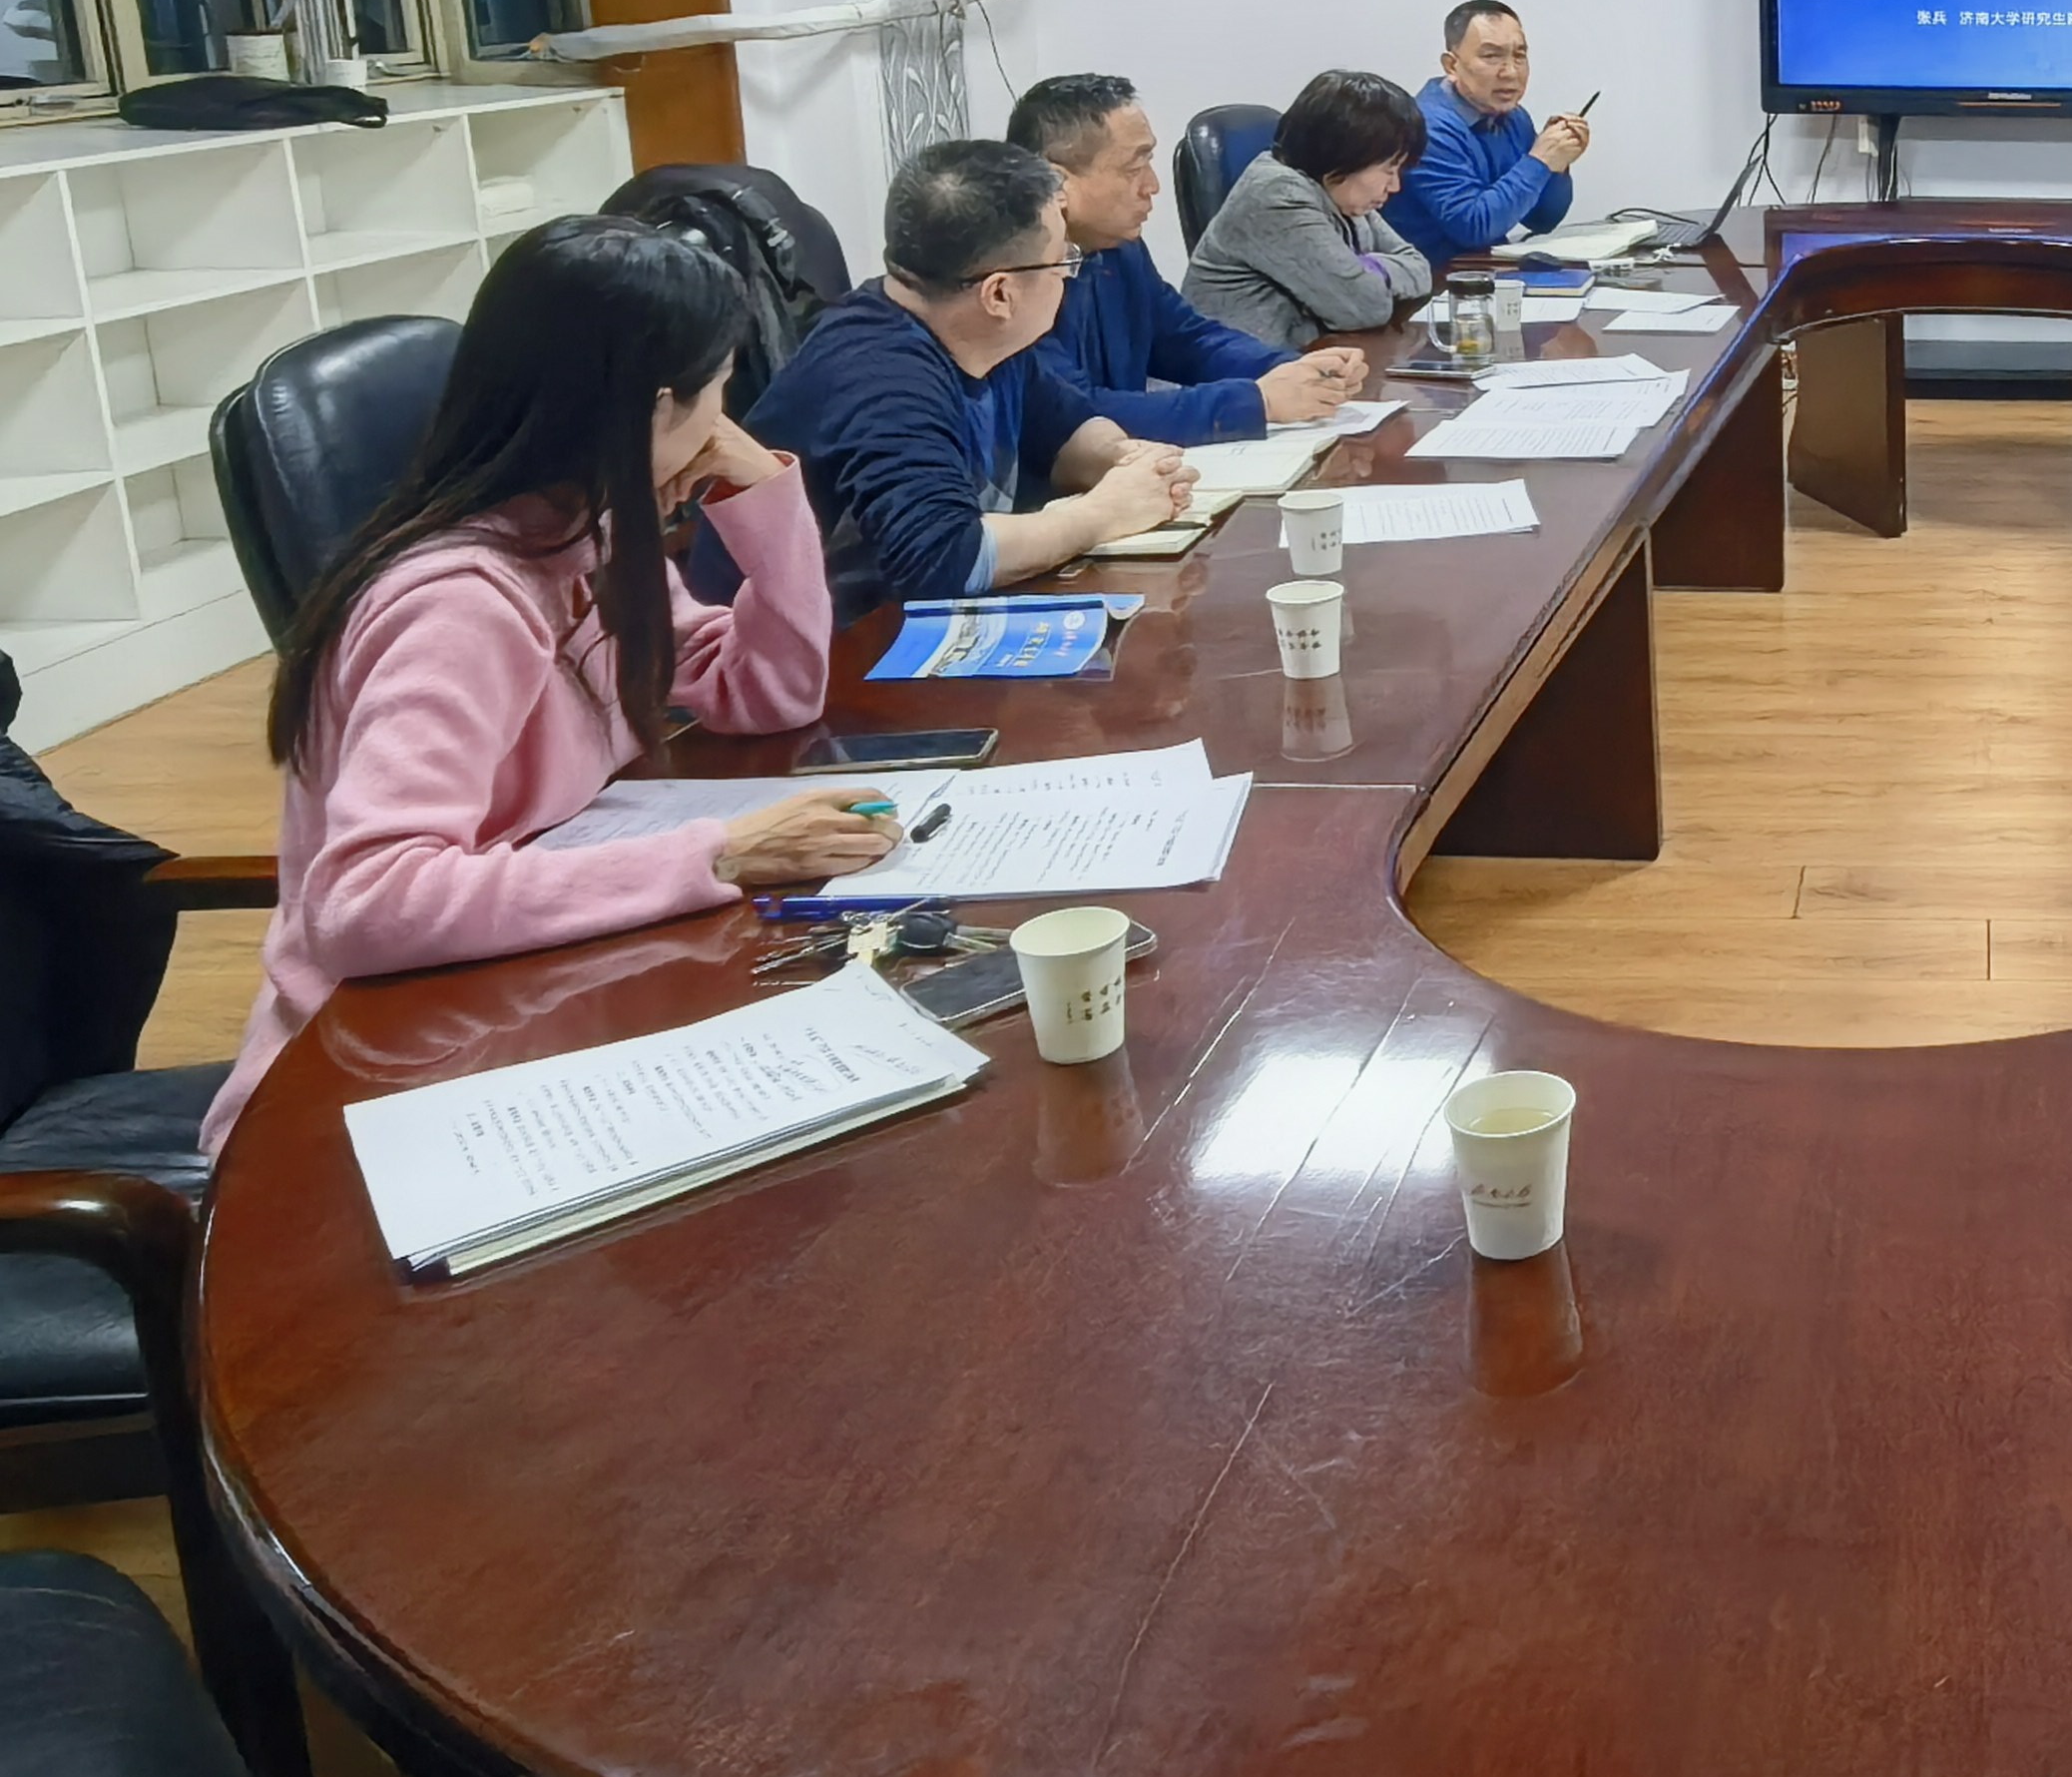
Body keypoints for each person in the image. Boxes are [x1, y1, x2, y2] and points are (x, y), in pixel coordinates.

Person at [208, 219, 902, 1150]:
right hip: (379, 1081)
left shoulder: (584, 534)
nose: (724, 424)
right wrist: (715, 856)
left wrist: (761, 498)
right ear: (654, 408)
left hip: (527, 996)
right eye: (717, 393)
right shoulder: (460, 606)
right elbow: (368, 905)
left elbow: (763, 696)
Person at [742, 139, 1194, 612]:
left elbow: (1060, 424)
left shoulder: (980, 335)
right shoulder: (883, 381)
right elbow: (943, 558)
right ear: (999, 295)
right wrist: (1103, 514)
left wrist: (1121, 458)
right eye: (1064, 261)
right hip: (829, 654)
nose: (1069, 276)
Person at [1009, 73, 1367, 441]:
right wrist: (1257, 401)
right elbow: (1072, 414)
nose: (1152, 186)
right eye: (1134, 169)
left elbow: (1186, 339)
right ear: (1056, 183)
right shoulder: (1015, 276)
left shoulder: (1117, 246)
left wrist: (1294, 369)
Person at [1186, 69, 1438, 352]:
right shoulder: (1277, 195)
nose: (1395, 186)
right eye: (1388, 169)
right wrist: (1364, 275)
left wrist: (1371, 267)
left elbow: (1419, 266)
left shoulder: (1342, 190)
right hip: (1239, 375)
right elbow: (1364, 307)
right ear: (1346, 155)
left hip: (1306, 360)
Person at [1399, 0, 1590, 274]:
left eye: (1519, 56)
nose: (1510, 72)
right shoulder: (1427, 126)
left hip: (1491, 274)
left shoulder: (1513, 116)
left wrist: (1557, 165)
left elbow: (1542, 220)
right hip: (1434, 287)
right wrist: (1540, 161)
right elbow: (1474, 227)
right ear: (1451, 65)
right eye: (1491, 56)